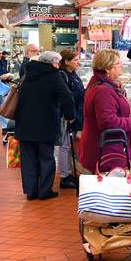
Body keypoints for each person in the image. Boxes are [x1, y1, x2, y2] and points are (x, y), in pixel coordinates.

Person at [13, 50, 74, 199]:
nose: (58, 65)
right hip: (45, 124)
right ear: (51, 63)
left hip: (25, 124)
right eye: (57, 62)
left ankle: (31, 191)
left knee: (28, 159)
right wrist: (70, 116)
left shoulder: (28, 74)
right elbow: (67, 96)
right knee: (46, 157)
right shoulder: (54, 76)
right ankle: (45, 191)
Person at [80, 49, 131, 177]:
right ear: (107, 68)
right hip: (107, 151)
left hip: (106, 147)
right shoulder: (103, 91)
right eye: (118, 64)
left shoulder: (103, 85)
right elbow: (108, 122)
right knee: (109, 192)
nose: (121, 66)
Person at [57, 48, 86, 190]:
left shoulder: (73, 74)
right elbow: (66, 96)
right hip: (67, 116)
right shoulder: (63, 75)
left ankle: (68, 173)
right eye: (75, 60)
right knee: (65, 145)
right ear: (66, 62)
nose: (78, 62)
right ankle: (65, 177)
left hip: (76, 114)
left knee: (68, 145)